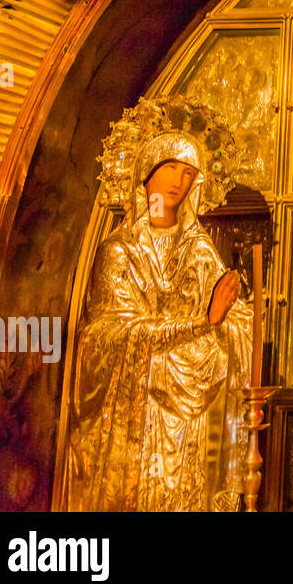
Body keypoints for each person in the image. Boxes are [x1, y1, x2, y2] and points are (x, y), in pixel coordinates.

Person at [69, 103, 252, 510]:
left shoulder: (200, 251)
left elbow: (233, 317)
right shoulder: (120, 252)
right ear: (147, 172)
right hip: (136, 412)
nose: (179, 182)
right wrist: (202, 323)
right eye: (171, 168)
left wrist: (236, 322)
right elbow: (109, 335)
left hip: (192, 416)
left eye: (189, 174)